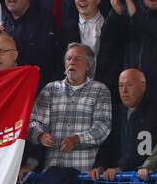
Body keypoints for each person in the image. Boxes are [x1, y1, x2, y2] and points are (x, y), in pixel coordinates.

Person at [27, 44, 113, 172]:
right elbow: (33, 122)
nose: (72, 62)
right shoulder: (50, 89)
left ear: (88, 65)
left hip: (84, 173)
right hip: (52, 170)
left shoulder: (100, 90)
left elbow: (103, 127)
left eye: (77, 59)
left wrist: (77, 139)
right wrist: (40, 135)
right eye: (69, 59)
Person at [91, 69, 157, 181]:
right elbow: (107, 145)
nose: (124, 90)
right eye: (121, 85)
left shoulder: (156, 114)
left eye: (129, 85)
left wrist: (122, 168)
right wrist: (99, 166)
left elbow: (144, 151)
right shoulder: (115, 113)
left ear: (143, 86)